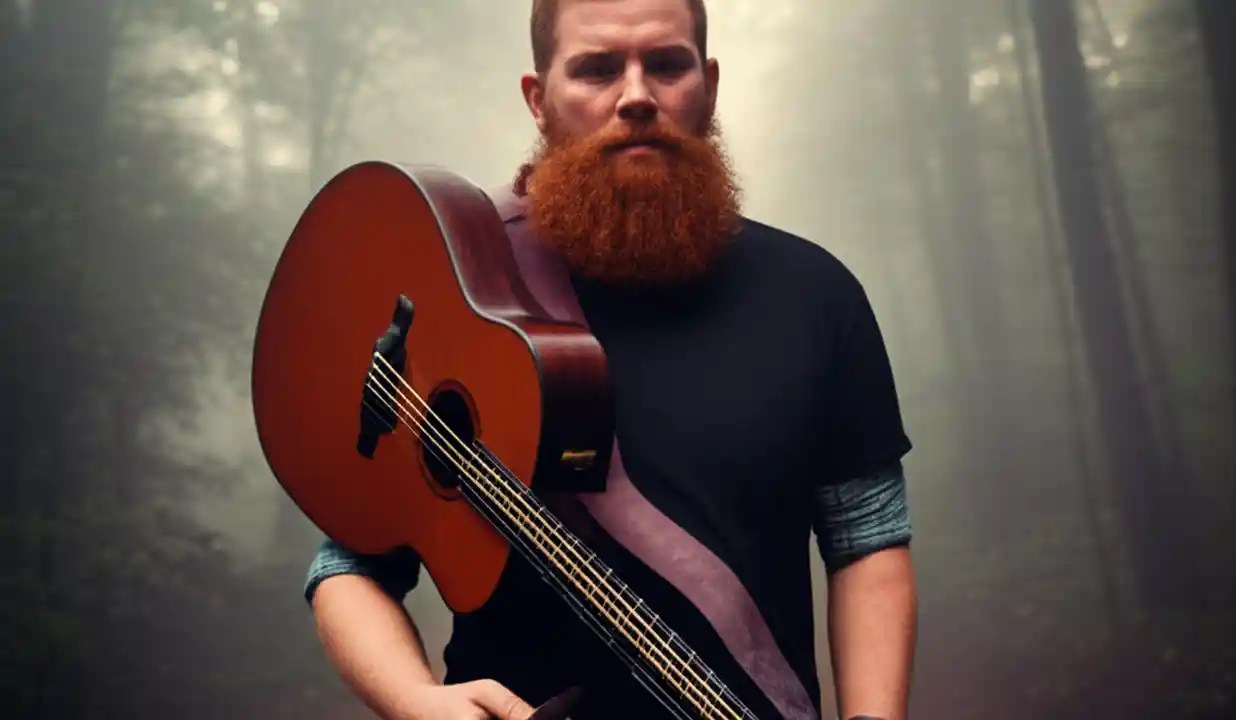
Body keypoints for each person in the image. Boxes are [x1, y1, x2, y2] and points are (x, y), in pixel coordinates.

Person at [302, 1, 917, 718]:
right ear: (538, 98)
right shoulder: (460, 296)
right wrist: (415, 701)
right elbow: (349, 562)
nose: (636, 96)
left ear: (708, 84)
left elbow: (868, 542)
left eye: (666, 63)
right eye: (597, 69)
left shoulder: (818, 294)